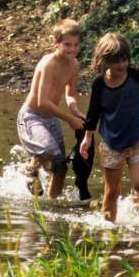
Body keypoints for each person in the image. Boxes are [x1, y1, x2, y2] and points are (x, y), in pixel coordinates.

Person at [79, 32, 139, 222]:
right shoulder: (99, 83)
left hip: (136, 139)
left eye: (124, 60)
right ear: (104, 61)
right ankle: (110, 230)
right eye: (116, 61)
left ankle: (133, 208)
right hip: (111, 143)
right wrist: (87, 138)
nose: (121, 65)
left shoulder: (136, 76)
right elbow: (93, 113)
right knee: (112, 192)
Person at [16, 18, 85, 198]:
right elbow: (42, 101)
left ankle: (52, 203)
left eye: (76, 45)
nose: (72, 49)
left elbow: (70, 94)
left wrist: (76, 112)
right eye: (67, 44)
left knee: (61, 165)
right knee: (50, 152)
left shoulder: (74, 65)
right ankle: (30, 169)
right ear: (56, 43)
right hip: (32, 117)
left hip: (51, 118)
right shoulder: (48, 64)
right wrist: (70, 119)